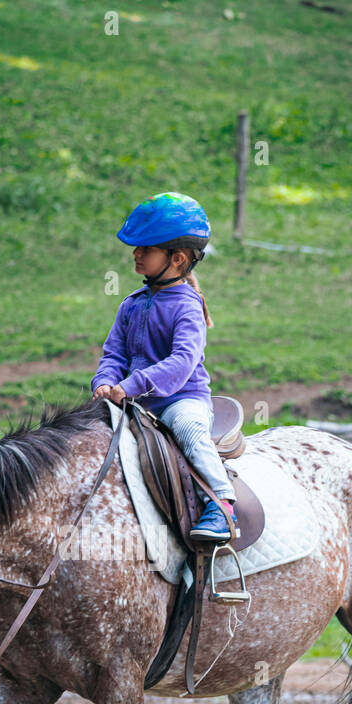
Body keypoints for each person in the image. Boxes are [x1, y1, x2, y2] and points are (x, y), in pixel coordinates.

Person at [91, 191, 236, 542]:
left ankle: (221, 503)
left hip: (179, 399)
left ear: (178, 258)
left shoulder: (188, 306)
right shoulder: (131, 304)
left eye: (146, 249)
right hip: (131, 400)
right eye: (136, 248)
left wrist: (134, 384)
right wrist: (104, 381)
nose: (136, 254)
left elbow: (182, 362)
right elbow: (113, 353)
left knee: (189, 430)